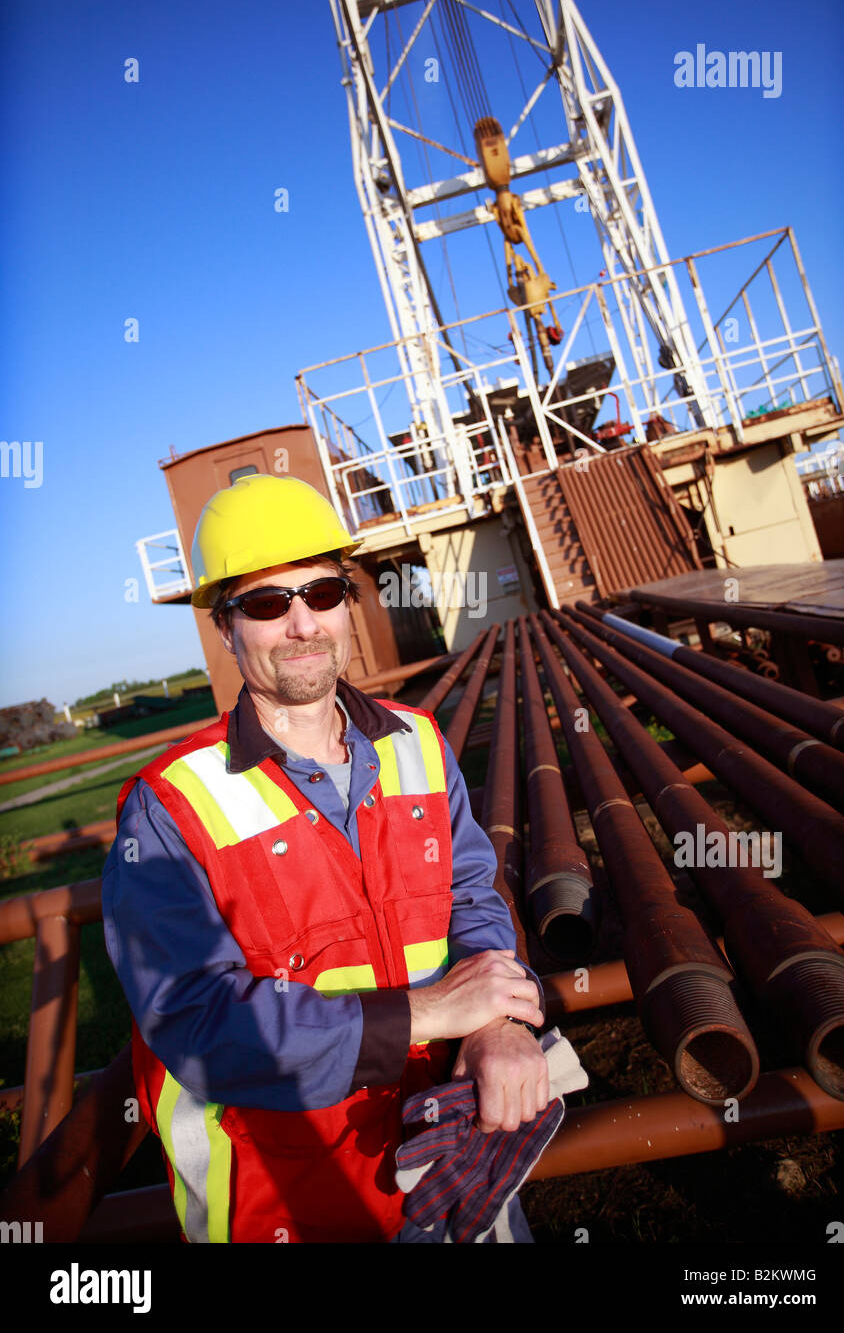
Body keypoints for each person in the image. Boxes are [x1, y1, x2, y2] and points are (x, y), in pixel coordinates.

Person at [102, 473, 548, 1244]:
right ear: (224, 626)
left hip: (457, 1157)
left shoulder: (420, 745)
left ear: (351, 602)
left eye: (324, 593)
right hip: (294, 1205)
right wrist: (438, 1012)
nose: (303, 623)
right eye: (269, 604)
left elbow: (472, 897)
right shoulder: (168, 807)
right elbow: (199, 1022)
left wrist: (498, 1023)